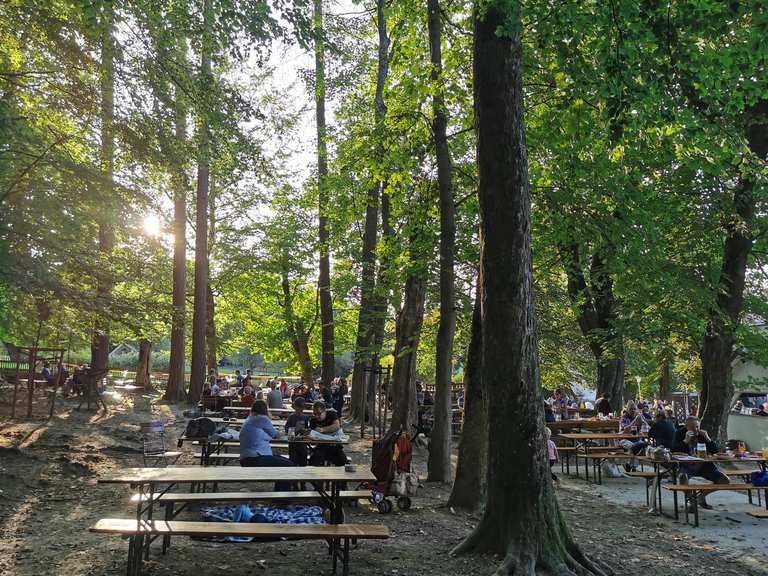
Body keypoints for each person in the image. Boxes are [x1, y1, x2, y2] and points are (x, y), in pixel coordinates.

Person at [673, 416, 729, 509]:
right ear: (686, 427)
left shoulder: (702, 435)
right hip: (687, 466)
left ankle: (700, 497)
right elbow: (674, 451)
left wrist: (708, 438)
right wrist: (685, 441)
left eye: (697, 427)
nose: (696, 429)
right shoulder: (679, 433)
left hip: (704, 466)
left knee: (724, 480)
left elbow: (715, 452)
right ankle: (691, 500)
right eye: (693, 427)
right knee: (683, 477)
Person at [239, 400, 294, 490]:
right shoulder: (262, 418)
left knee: (284, 461)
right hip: (254, 458)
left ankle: (280, 493)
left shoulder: (250, 418)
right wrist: (283, 432)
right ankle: (282, 498)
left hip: (246, 458)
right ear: (265, 410)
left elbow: (267, 434)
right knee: (288, 465)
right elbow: (275, 435)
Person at [309, 401, 348, 467]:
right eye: (315, 414)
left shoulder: (331, 414)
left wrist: (322, 430)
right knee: (313, 460)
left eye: (319, 413)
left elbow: (337, 426)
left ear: (324, 411)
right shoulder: (313, 420)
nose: (317, 416)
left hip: (335, 446)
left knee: (342, 460)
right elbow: (312, 438)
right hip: (321, 447)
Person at [285, 397, 311, 466]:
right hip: (293, 443)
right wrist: (292, 430)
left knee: (303, 462)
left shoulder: (306, 418)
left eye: (302, 408)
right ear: (295, 407)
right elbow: (286, 428)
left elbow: (308, 429)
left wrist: (306, 431)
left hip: (302, 443)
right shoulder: (291, 417)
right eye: (299, 408)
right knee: (293, 462)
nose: (300, 410)